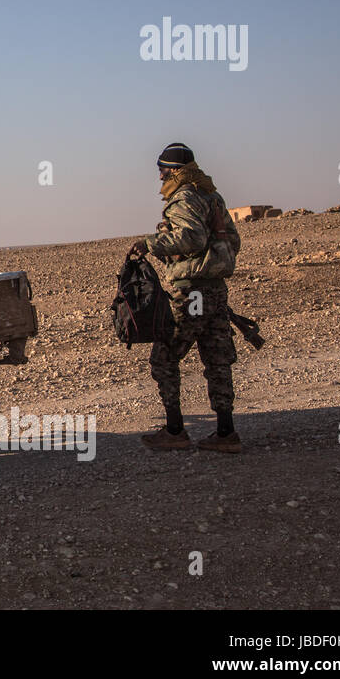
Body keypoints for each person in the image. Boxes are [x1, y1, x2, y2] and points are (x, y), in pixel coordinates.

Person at [130, 143, 242, 453]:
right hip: (216, 289)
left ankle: (175, 430)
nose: (160, 176)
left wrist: (149, 243)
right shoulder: (212, 196)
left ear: (173, 170)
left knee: (164, 358)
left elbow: (191, 237)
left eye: (163, 170)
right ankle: (225, 433)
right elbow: (233, 239)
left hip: (191, 291)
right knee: (217, 359)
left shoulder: (184, 197)